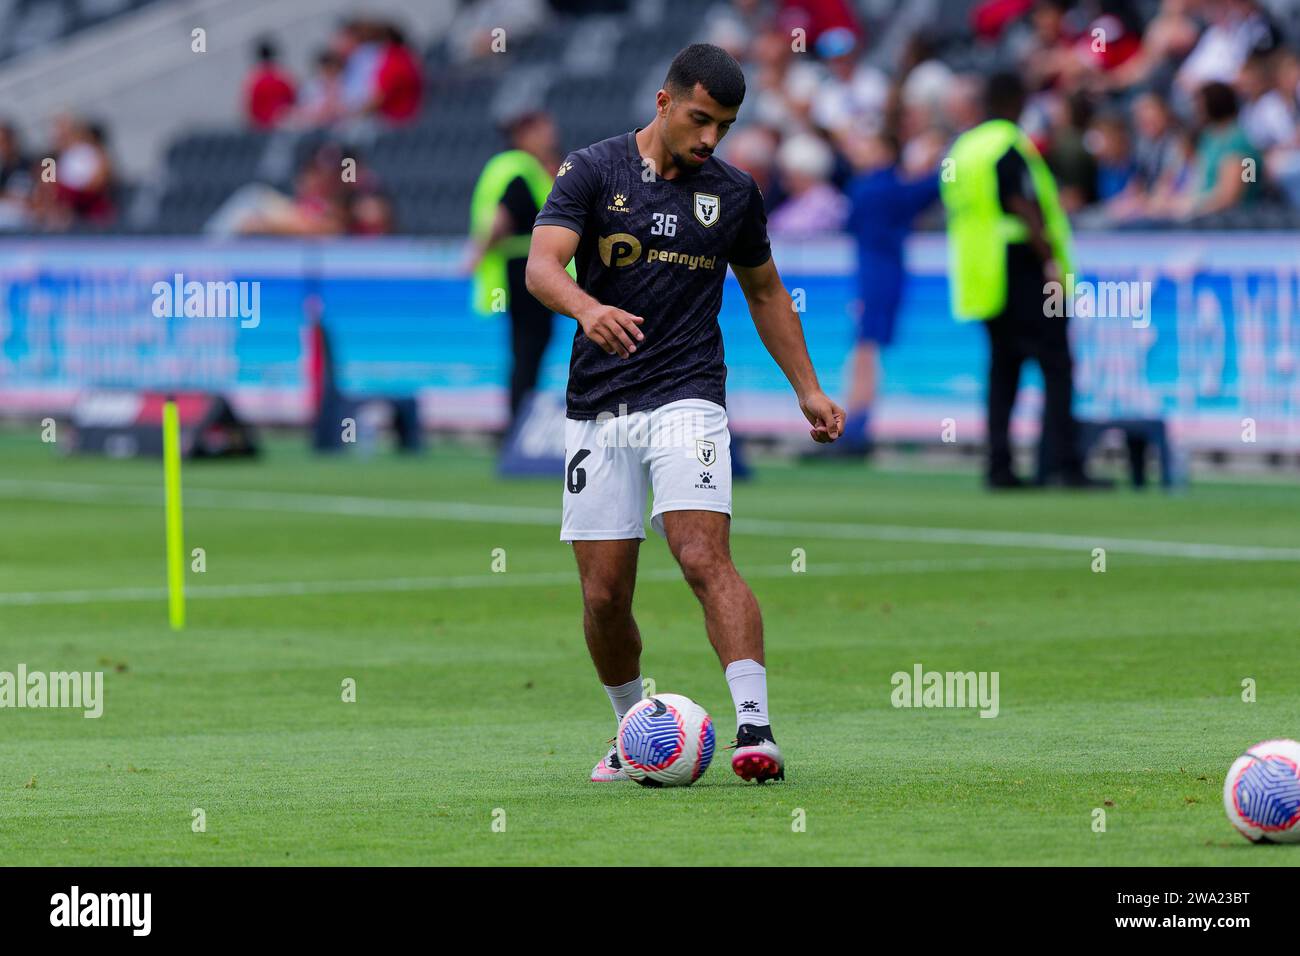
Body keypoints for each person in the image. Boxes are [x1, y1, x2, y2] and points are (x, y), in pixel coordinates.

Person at [525, 43, 844, 784]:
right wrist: (586, 306)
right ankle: (634, 730)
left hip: (688, 396)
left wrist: (808, 388)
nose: (710, 139)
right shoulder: (592, 170)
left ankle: (755, 727)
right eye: (700, 119)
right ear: (665, 102)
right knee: (605, 595)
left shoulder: (734, 193)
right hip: (600, 408)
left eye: (724, 127)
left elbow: (765, 292)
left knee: (702, 556)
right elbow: (543, 267)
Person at [941, 72, 1106, 489]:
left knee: (1003, 371)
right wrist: (1049, 259)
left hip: (983, 275)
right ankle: (1062, 464)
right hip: (1023, 267)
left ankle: (1000, 466)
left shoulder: (963, 148)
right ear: (1016, 101)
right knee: (1057, 365)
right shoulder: (1009, 143)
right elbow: (1022, 203)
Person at [833, 129, 939, 455]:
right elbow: (928, 191)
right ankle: (855, 425)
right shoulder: (884, 187)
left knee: (865, 350)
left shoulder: (872, 187)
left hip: (877, 277)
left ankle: (855, 427)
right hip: (883, 274)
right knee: (866, 349)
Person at [466, 110, 564, 432]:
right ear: (524, 135)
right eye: (542, 130)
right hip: (525, 270)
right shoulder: (520, 169)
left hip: (520, 268)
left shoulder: (510, 166)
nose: (550, 136)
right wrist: (478, 253)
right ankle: (519, 423)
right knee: (528, 347)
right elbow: (502, 217)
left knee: (526, 347)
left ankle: (520, 420)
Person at [244, 38, 296, 129]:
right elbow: (293, 99)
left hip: (261, 129)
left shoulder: (254, 80)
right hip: (282, 127)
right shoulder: (283, 77)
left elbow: (248, 108)